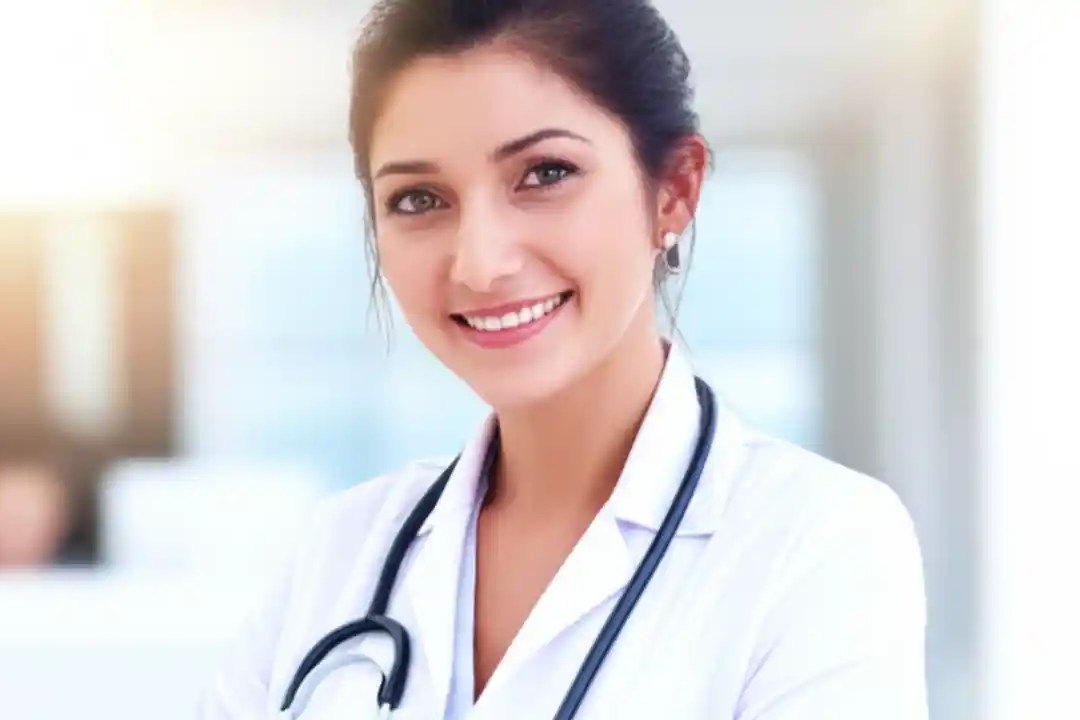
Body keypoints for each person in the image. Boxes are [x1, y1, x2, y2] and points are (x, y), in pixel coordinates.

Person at [203, 1, 927, 718]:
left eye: (545, 174)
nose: (480, 263)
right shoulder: (341, 551)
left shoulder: (818, 542)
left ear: (674, 190)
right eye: (419, 198)